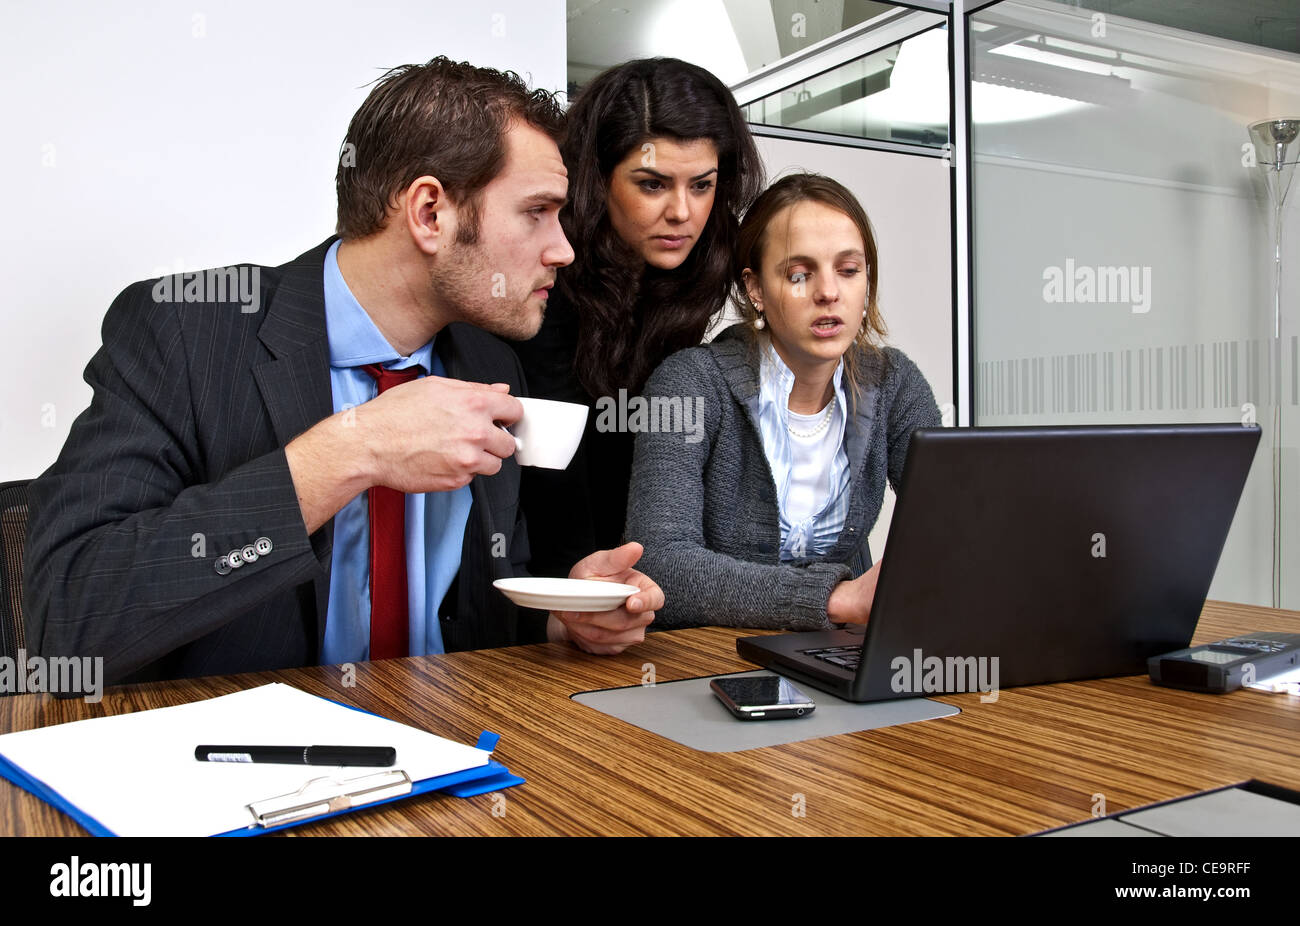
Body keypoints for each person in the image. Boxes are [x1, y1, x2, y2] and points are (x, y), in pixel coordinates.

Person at [23, 57, 663, 687]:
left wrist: (560, 622)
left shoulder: (489, 363)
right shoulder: (184, 334)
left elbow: (464, 621)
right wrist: (351, 450)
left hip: (456, 758)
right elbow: (70, 616)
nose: (564, 249)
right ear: (430, 213)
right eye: (537, 212)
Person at [625, 173, 940, 630]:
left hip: (838, 655)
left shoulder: (893, 383)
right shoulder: (690, 384)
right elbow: (660, 565)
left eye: (848, 270)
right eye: (799, 274)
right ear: (755, 290)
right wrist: (834, 599)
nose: (828, 292)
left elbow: (960, 517)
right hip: (703, 663)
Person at [512, 58, 764, 578]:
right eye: (652, 184)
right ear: (597, 179)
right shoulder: (545, 284)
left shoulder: (691, 276)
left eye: (701, 185)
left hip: (643, 585)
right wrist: (583, 605)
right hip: (545, 596)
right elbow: (550, 478)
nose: (682, 212)